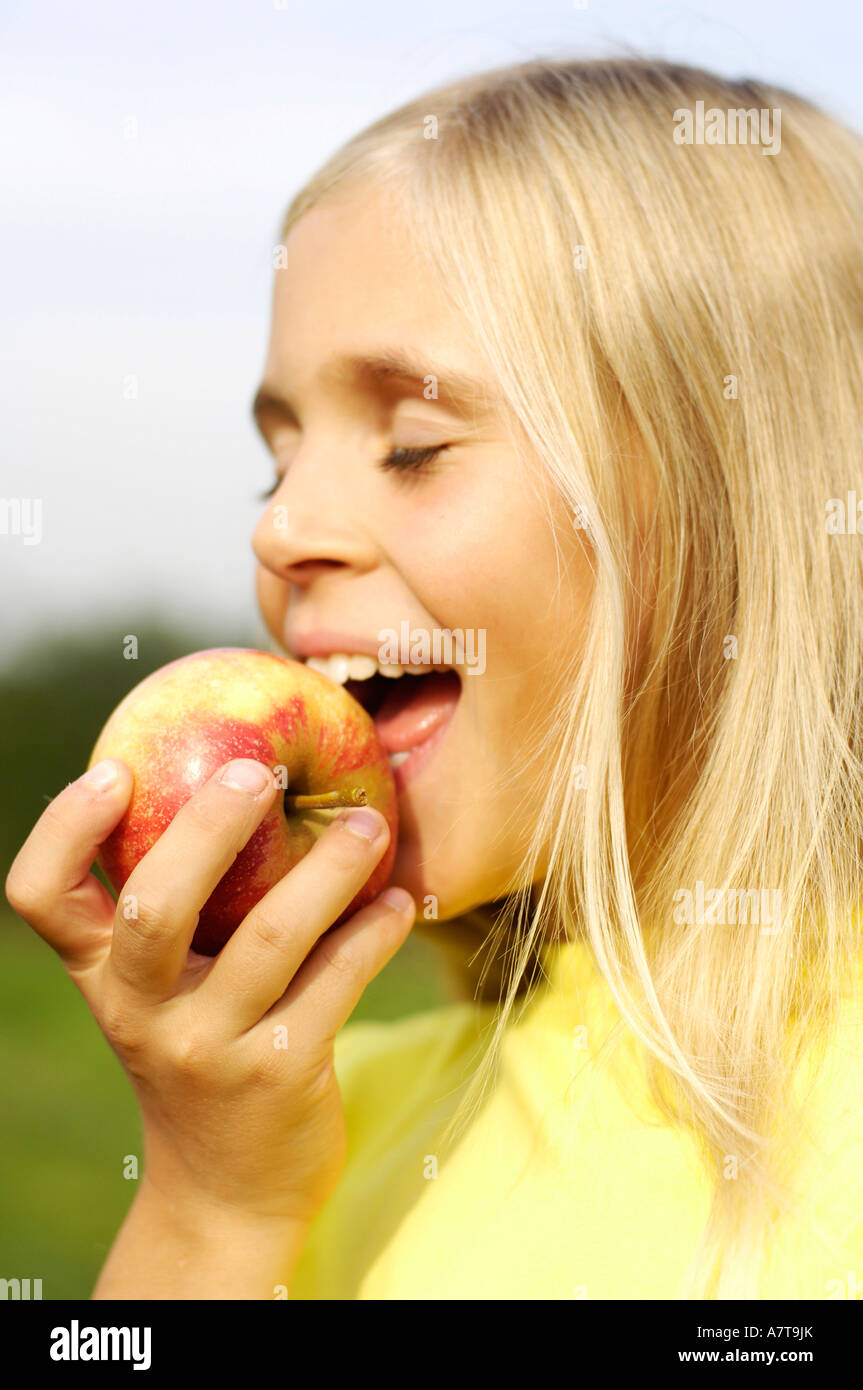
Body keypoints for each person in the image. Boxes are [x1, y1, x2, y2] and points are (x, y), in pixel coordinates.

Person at [7, 57, 863, 1300]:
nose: (280, 527)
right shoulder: (315, 1126)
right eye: (276, 468)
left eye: (412, 448)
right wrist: (206, 1211)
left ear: (739, 513)